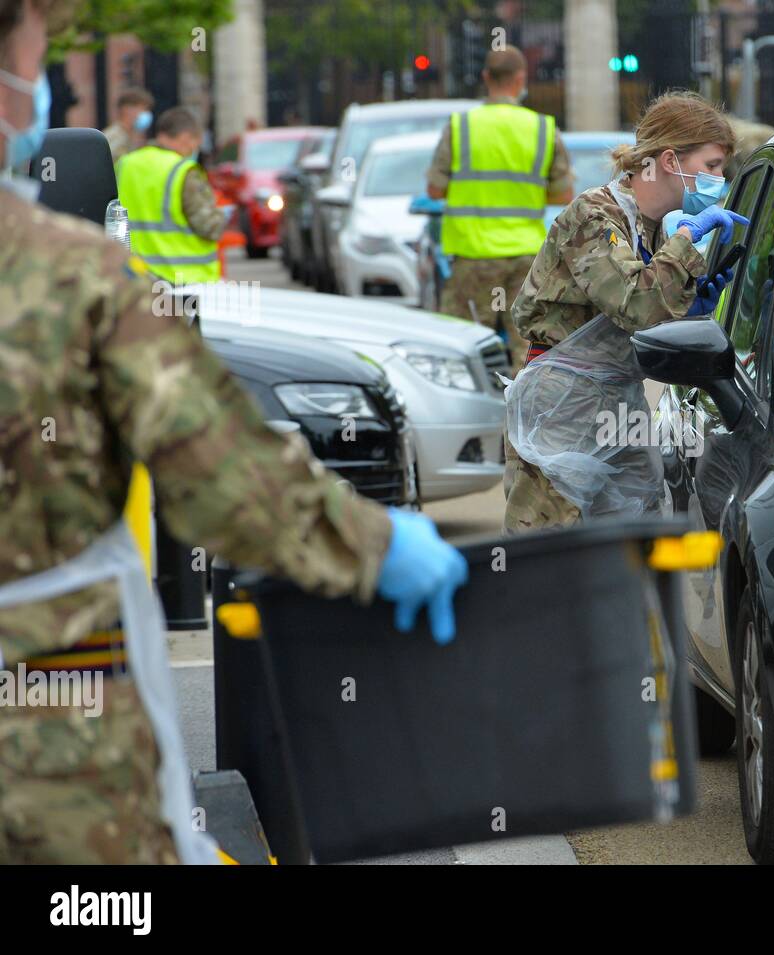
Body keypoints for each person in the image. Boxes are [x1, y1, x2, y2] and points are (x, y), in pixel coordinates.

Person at [0, 0, 468, 863]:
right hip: (47, 762)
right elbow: (226, 482)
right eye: (38, 51)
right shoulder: (66, 277)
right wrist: (369, 542)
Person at [503, 91, 747, 533]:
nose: (719, 180)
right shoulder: (595, 216)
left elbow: (649, 324)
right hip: (562, 403)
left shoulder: (649, 229)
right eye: (711, 166)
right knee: (545, 546)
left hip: (618, 400)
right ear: (671, 160)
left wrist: (692, 310)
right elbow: (635, 304)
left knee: (636, 535)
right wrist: (687, 242)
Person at [427, 44, 574, 368]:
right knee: (528, 351)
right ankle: (523, 414)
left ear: (485, 77)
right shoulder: (542, 128)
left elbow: (435, 189)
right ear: (521, 79)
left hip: (472, 257)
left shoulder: (460, 127)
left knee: (461, 350)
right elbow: (564, 194)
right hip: (526, 259)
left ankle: (467, 413)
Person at [114, 105, 226, 285]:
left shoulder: (125, 164)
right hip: (184, 282)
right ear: (185, 138)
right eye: (194, 144)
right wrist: (222, 215)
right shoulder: (182, 171)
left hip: (137, 279)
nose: (193, 151)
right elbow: (210, 227)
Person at [102, 85, 153, 163]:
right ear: (126, 109)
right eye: (143, 109)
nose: (146, 114)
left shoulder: (128, 134)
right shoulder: (114, 135)